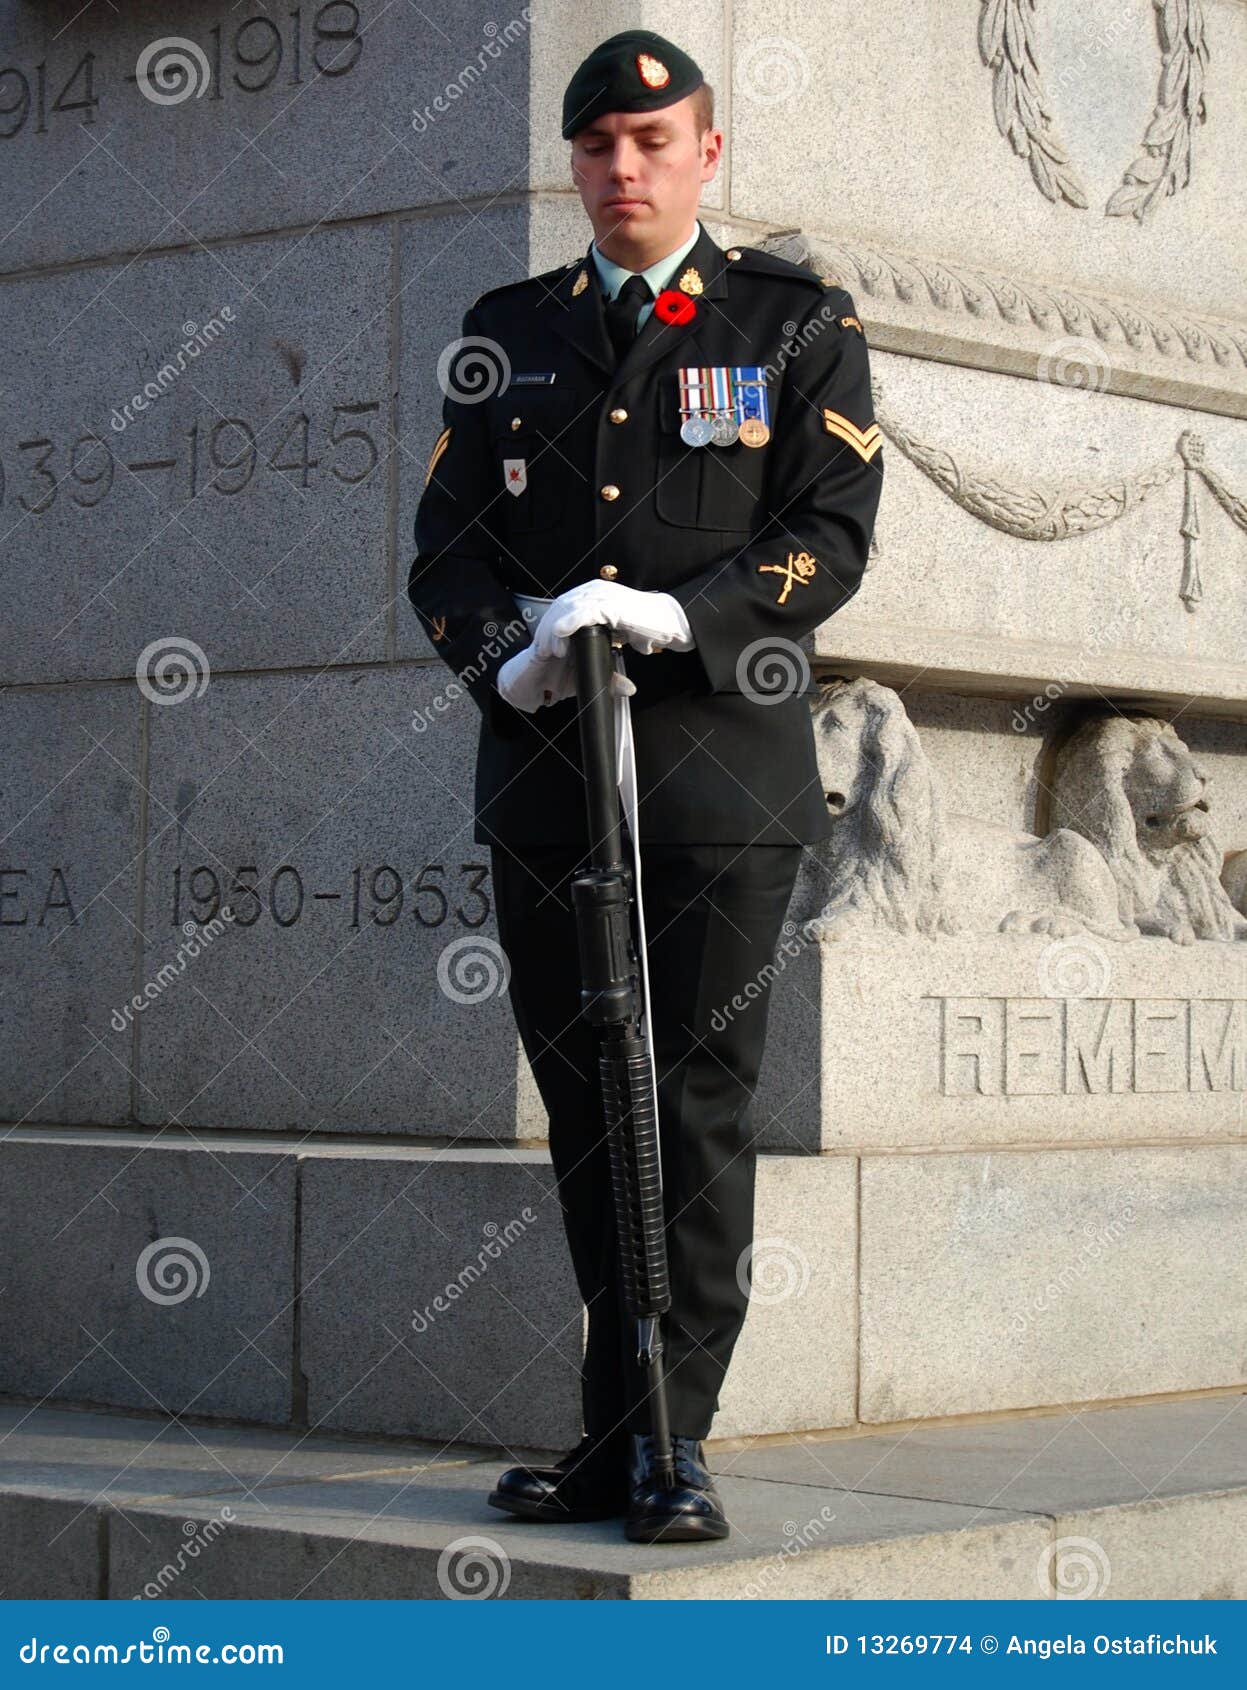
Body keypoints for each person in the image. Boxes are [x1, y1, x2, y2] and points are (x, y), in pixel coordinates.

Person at [407, 28, 883, 1543]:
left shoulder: (792, 322)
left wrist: (687, 617)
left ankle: (680, 1441)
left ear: (707, 155)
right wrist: (514, 652)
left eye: (653, 142)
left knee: (692, 1106)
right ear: (573, 161)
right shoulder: (508, 331)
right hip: (552, 784)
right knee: (590, 1112)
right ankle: (621, 1433)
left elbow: (834, 528)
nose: (624, 168)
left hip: (718, 790)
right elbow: (445, 552)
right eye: (600, 145)